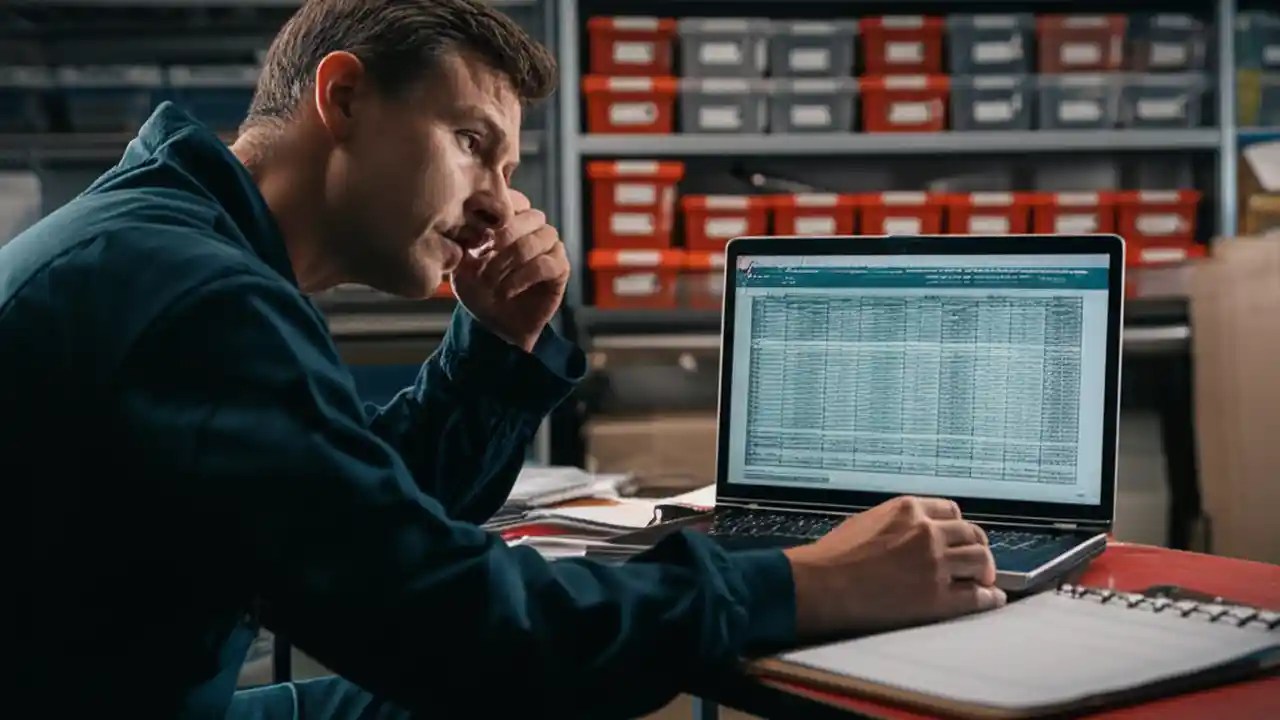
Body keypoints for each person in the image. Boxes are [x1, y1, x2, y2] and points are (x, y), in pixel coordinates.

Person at [4, 1, 1005, 717]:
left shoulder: (168, 243)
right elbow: (453, 625)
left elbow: (355, 522)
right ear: (342, 96)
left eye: (508, 168)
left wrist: (492, 350)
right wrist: (803, 585)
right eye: (471, 140)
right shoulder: (195, 296)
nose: (495, 199)